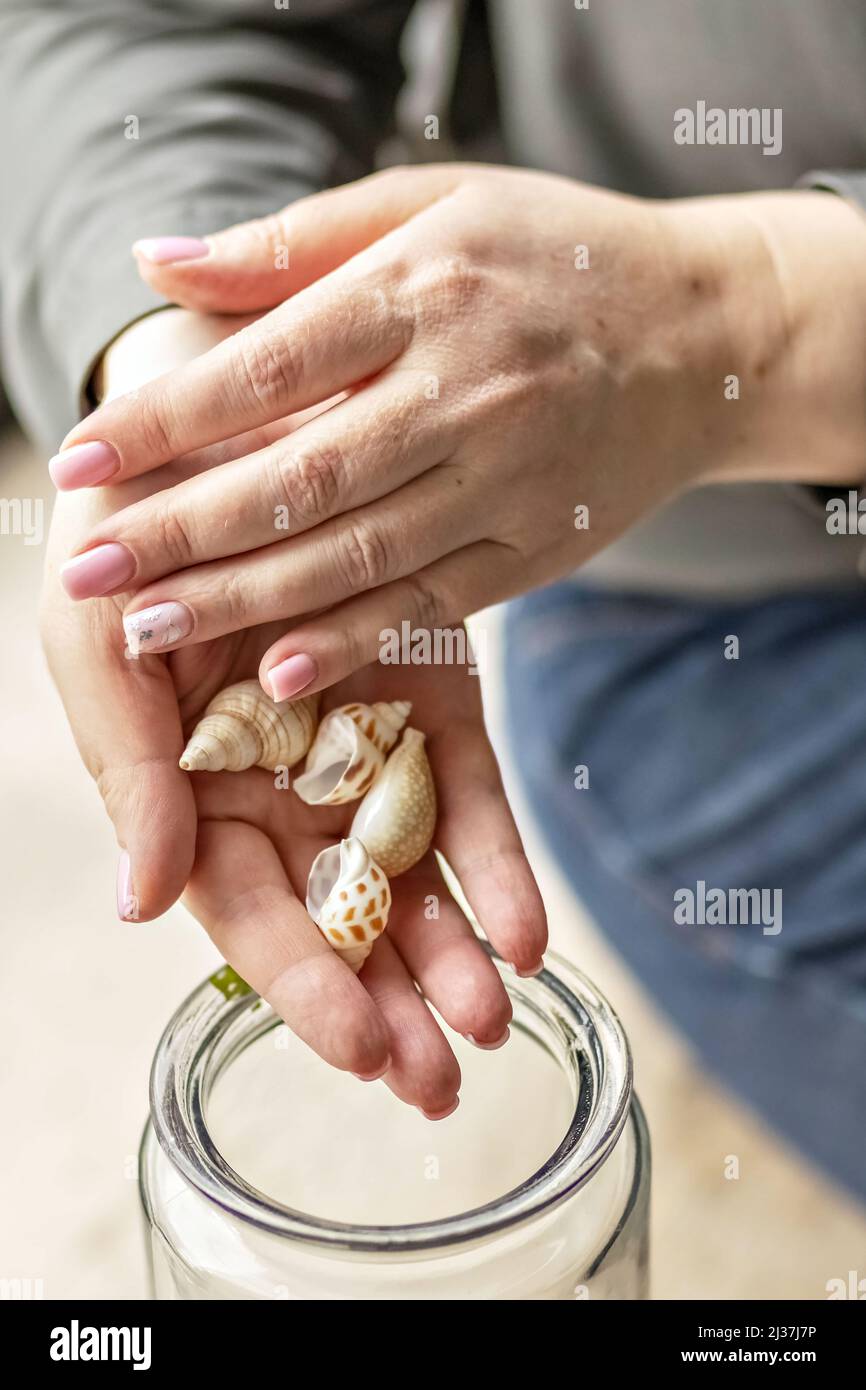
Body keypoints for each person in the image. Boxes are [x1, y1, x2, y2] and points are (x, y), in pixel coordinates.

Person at [2, 2, 865, 1187]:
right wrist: (191, 386)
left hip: (717, 476)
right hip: (720, 564)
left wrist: (744, 316)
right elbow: (167, 23)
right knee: (617, 769)